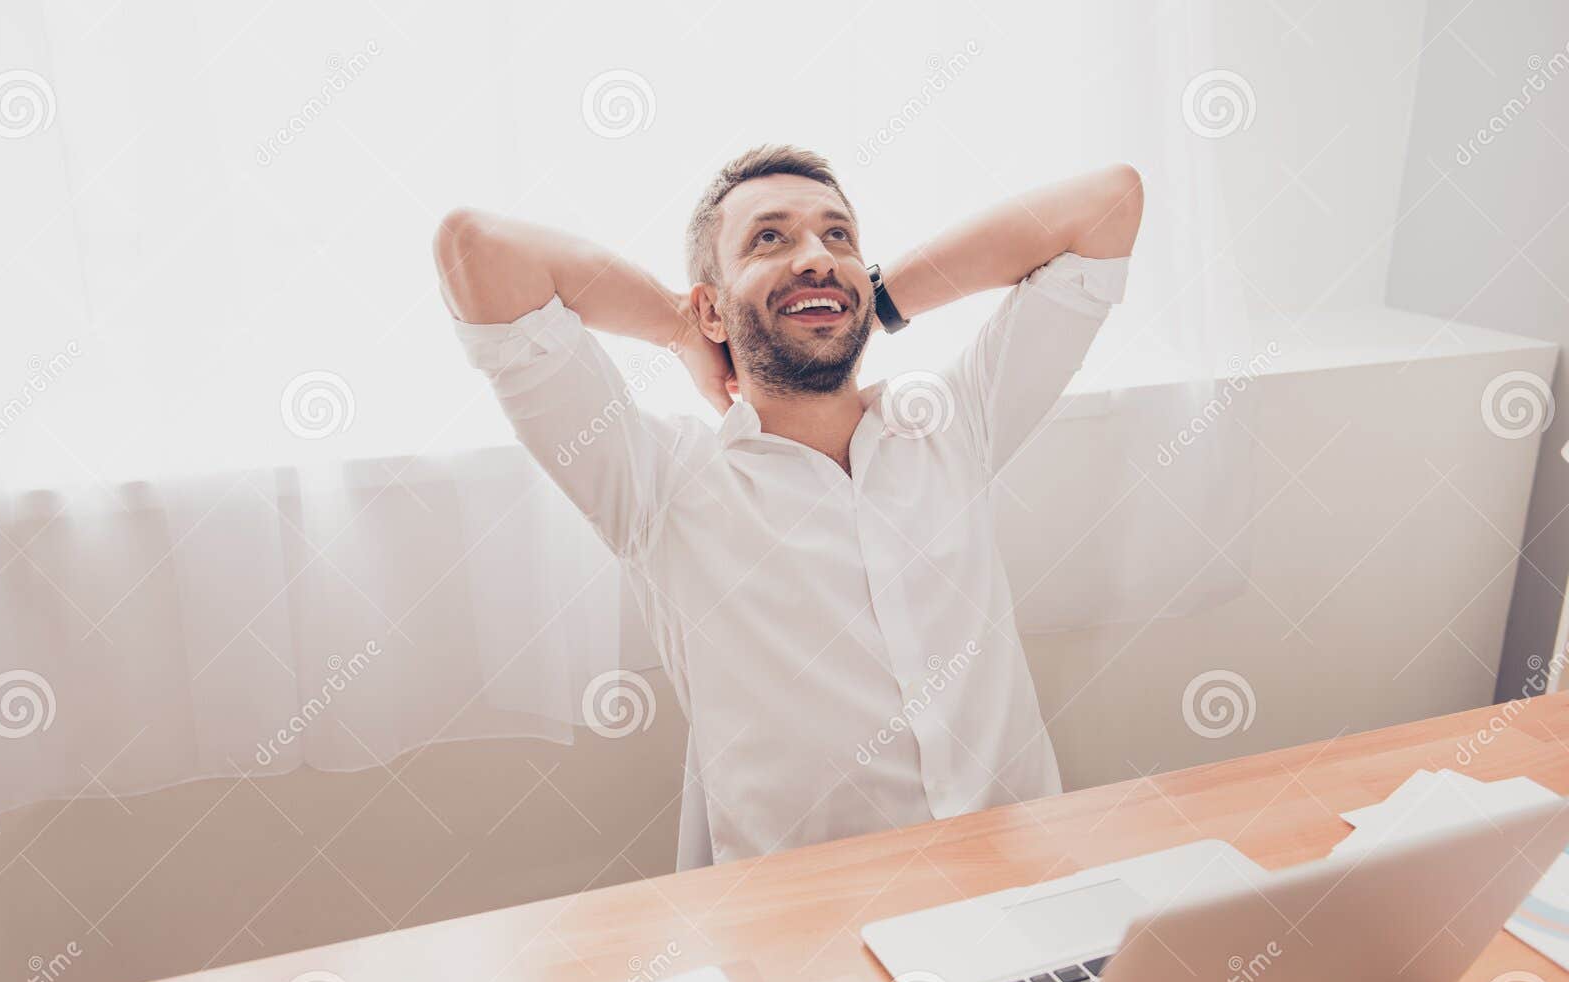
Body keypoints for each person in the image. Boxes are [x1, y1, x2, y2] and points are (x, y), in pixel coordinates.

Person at [434, 144, 1142, 869]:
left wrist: (878, 296)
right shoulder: (657, 482)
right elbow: (478, 249)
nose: (816, 257)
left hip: (1025, 884)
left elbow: (1107, 202)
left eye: (838, 236)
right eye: (769, 238)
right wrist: (684, 328)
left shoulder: (954, 424)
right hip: (808, 927)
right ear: (712, 302)